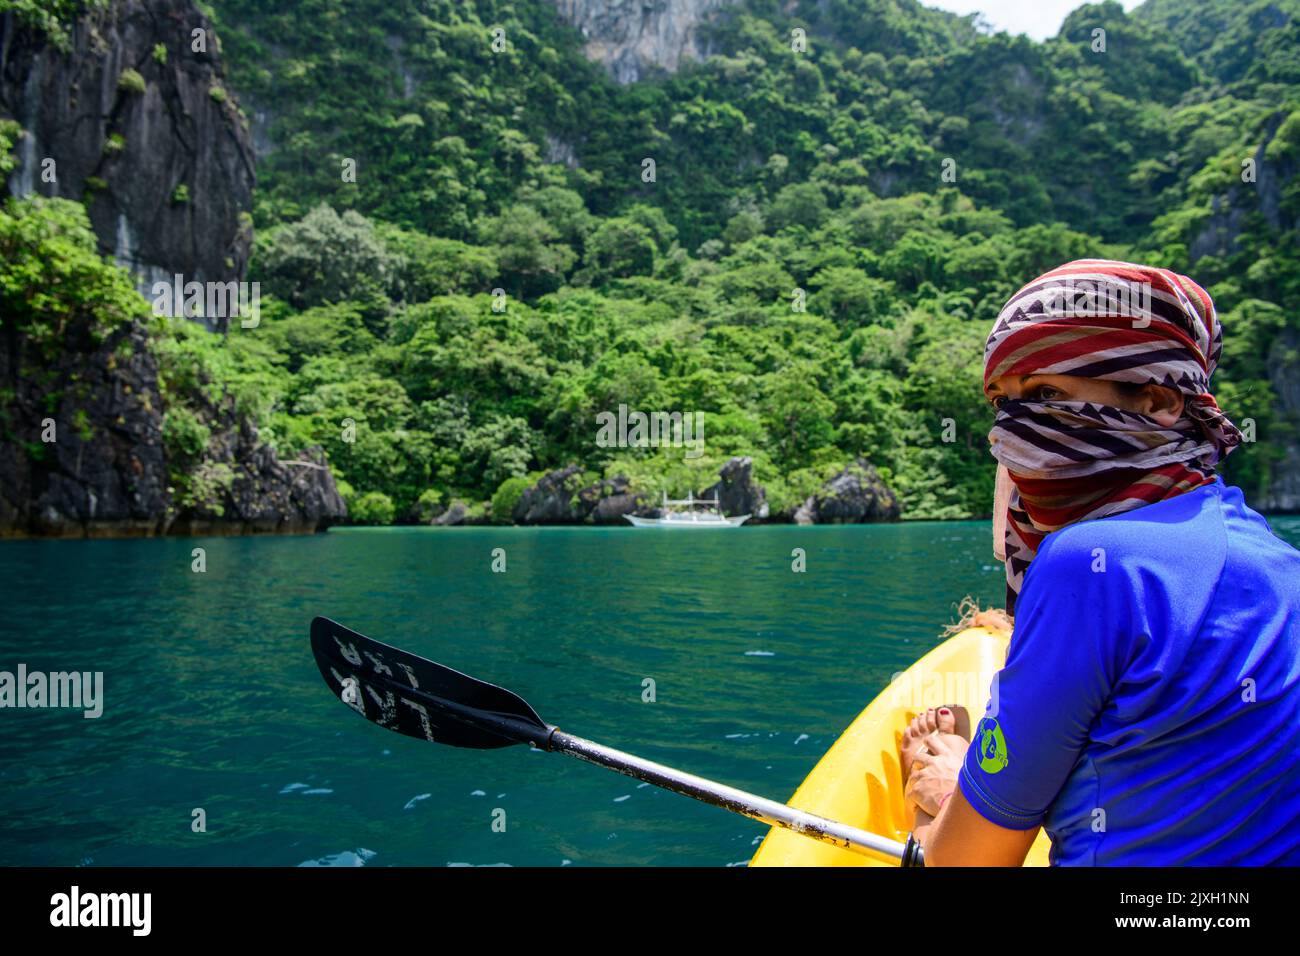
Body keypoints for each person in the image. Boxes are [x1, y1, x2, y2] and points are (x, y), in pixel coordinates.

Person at [901, 259, 1300, 865]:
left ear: (1161, 400)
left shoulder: (1084, 564)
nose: (1012, 432)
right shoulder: (1276, 556)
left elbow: (963, 864)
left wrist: (938, 792)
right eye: (1001, 402)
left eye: (1045, 395)